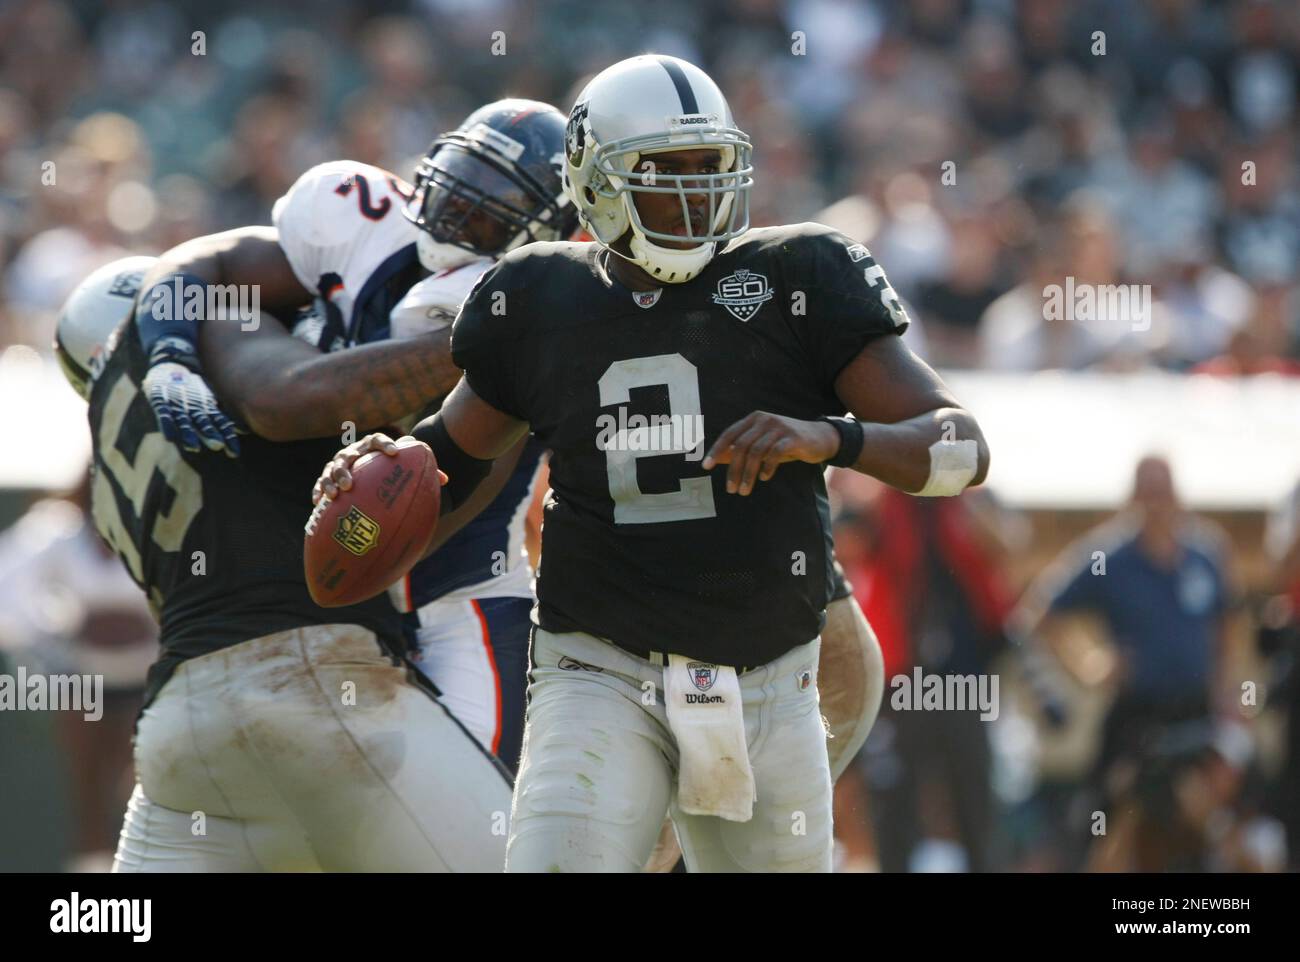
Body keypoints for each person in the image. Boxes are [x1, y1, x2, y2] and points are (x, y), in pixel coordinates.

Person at [316, 55, 990, 873]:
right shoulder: (536, 295)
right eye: (665, 172)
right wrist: (378, 482)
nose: (698, 193)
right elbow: (452, 461)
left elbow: (961, 451)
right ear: (595, 181)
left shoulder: (800, 274)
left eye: (710, 168)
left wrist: (833, 438)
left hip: (768, 679)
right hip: (598, 666)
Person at [55, 99, 576, 872]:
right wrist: (495, 341)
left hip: (180, 723)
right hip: (315, 678)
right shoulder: (236, 330)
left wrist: (164, 343)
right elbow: (291, 397)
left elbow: (198, 266)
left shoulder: (108, 464)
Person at [1015, 455, 1234, 794]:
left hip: (1197, 715)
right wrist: (1091, 666)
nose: (1157, 503)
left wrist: (1225, 689)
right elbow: (1040, 612)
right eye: (1148, 493)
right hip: (1137, 718)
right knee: (1111, 813)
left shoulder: (1205, 553)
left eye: (1163, 491)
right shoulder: (1109, 559)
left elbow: (1226, 621)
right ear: (1132, 499)